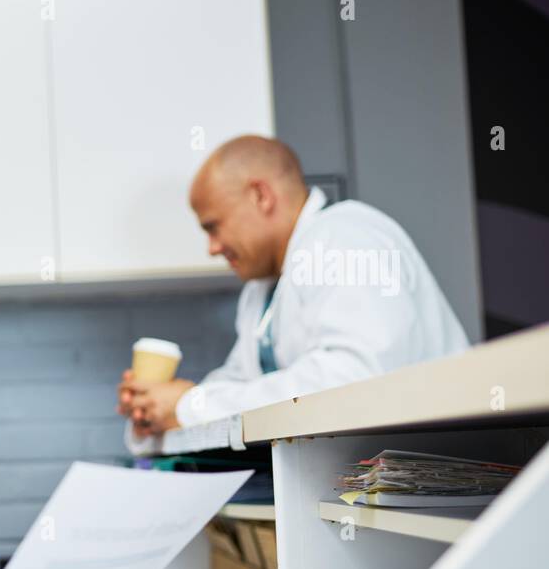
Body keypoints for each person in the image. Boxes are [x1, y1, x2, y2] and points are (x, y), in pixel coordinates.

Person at [118, 135, 470, 450]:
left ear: (260, 196)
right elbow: (240, 383)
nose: (211, 247)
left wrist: (190, 406)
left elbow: (354, 379)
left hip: (437, 479)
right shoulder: (263, 288)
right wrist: (157, 408)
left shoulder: (346, 236)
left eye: (213, 227)